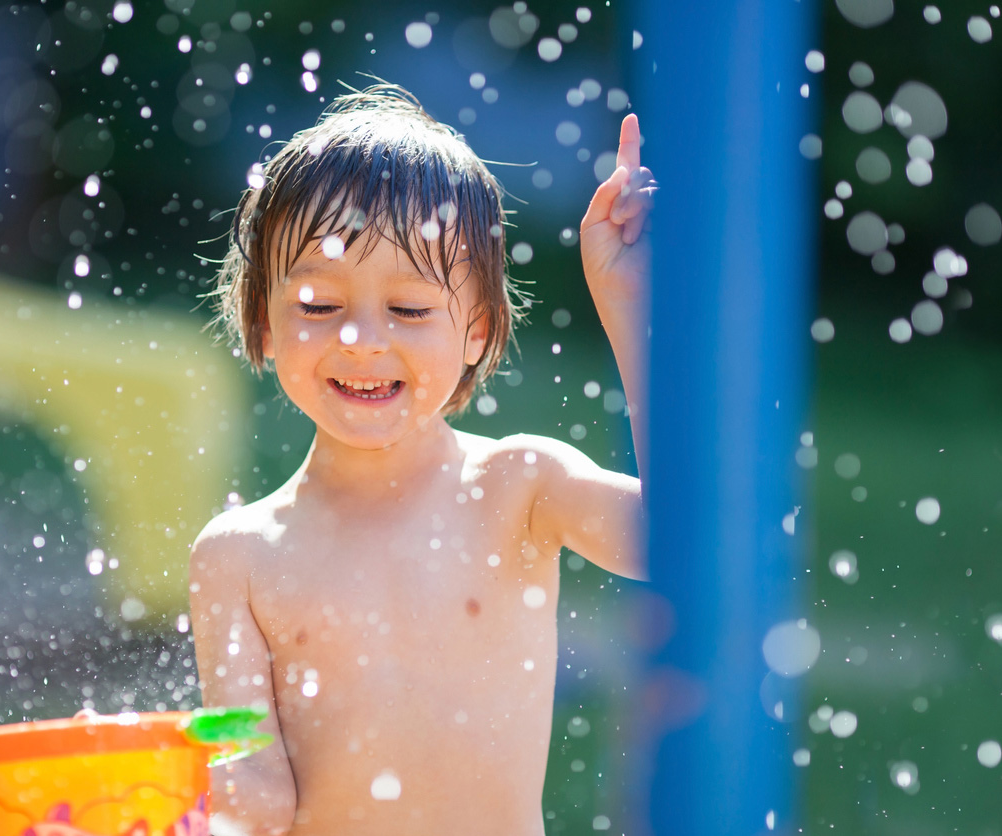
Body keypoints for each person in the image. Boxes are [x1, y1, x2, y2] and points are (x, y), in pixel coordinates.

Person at [189, 84, 655, 836]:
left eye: (408, 310)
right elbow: (248, 781)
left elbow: (684, 543)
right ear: (263, 323)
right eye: (317, 305)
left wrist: (633, 308)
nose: (360, 340)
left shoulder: (518, 489)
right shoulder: (234, 559)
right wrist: (181, 796)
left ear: (477, 330)